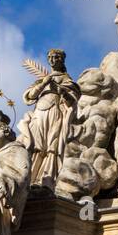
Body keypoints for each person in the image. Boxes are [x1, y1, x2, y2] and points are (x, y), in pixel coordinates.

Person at [20, 49, 80, 185]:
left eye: (56, 57)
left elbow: (73, 100)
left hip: (55, 112)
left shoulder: (66, 79)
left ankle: (44, 178)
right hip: (39, 113)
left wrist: (62, 92)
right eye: (51, 57)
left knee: (50, 144)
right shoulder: (42, 79)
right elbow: (29, 96)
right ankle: (29, 176)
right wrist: (44, 83)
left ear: (62, 60)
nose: (53, 60)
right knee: (35, 142)